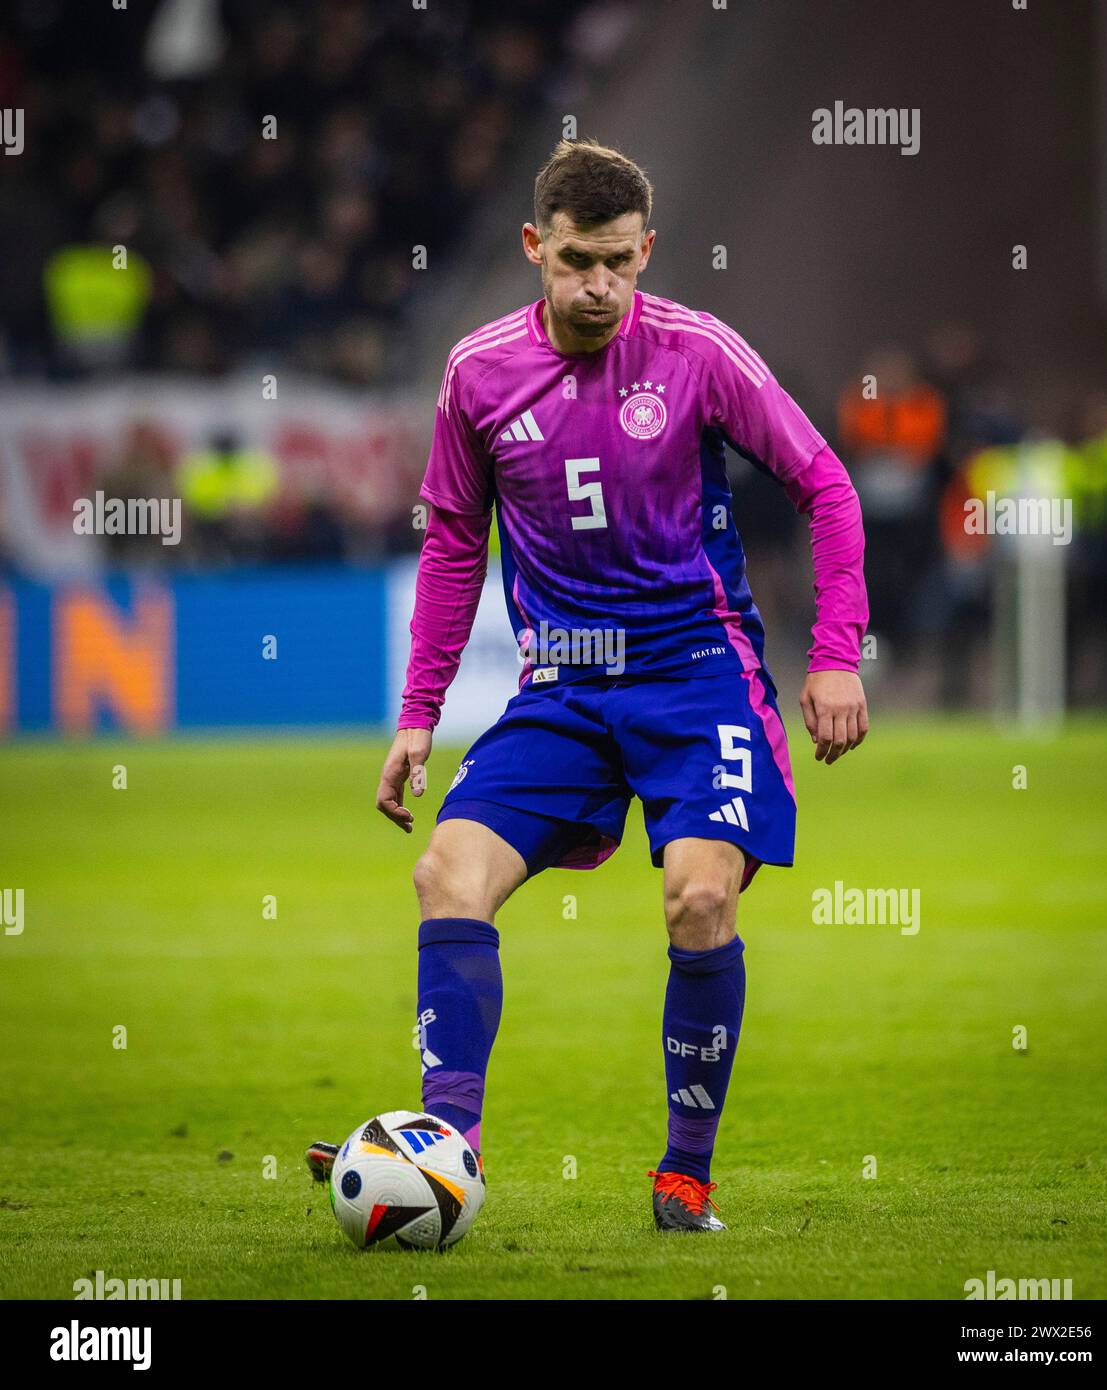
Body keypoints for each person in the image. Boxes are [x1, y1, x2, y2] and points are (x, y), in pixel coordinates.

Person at [307, 138, 869, 1234]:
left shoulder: (699, 354)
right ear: (534, 248)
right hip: (561, 687)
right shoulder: (476, 372)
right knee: (444, 871)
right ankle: (444, 1152)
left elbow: (824, 483)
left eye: (618, 261)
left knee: (701, 896)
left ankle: (684, 1174)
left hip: (697, 673)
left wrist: (836, 650)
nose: (598, 286)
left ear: (646, 250)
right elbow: (452, 544)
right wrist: (418, 713)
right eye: (575, 261)